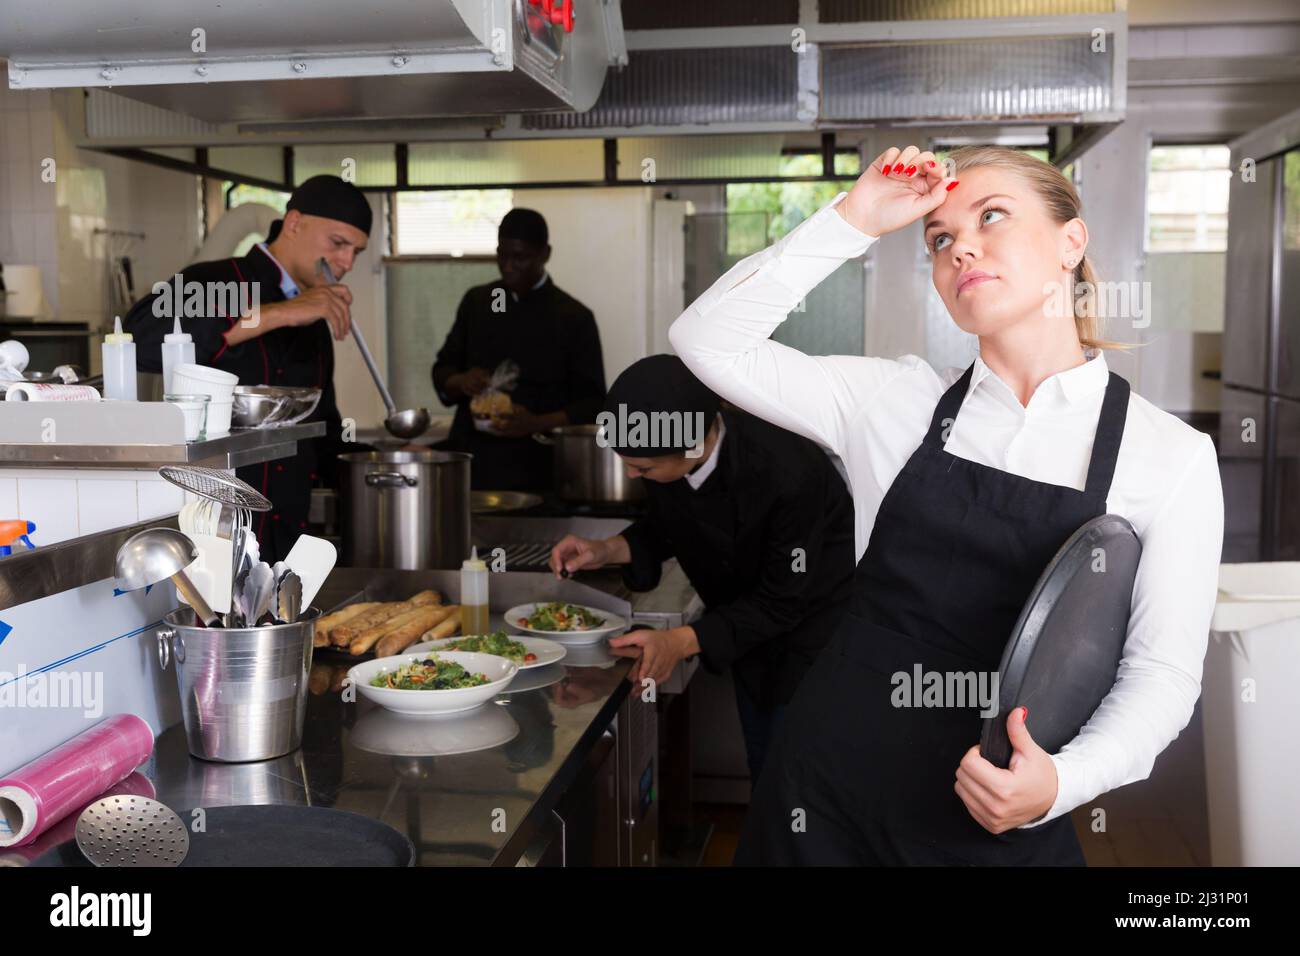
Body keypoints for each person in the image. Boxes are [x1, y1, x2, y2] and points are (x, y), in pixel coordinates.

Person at [669, 145, 1224, 865]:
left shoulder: (1169, 456)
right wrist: (855, 218)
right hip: (825, 794)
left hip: (997, 815)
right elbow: (705, 341)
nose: (962, 245)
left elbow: (1162, 675)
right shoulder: (893, 403)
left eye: (992, 216)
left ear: (1071, 240)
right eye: (939, 240)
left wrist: (1060, 783)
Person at [547, 355, 856, 782]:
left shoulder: (787, 470)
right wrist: (606, 550)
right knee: (767, 775)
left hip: (816, 647)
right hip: (753, 638)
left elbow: (783, 601)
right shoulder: (677, 454)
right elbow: (671, 523)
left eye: (643, 468)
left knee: (801, 787)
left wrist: (679, 642)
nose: (634, 475)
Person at [124, 175, 371, 563]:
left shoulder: (315, 319)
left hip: (287, 541)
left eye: (356, 251)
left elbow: (322, 432)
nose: (346, 263)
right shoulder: (218, 279)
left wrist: (385, 460)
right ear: (294, 224)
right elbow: (140, 337)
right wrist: (279, 314)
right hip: (207, 535)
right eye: (338, 244)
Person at [431, 208, 605, 491]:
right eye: (502, 255)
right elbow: (442, 371)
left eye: (520, 257)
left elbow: (593, 403)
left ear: (545, 254)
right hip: (472, 465)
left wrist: (535, 422)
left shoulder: (573, 317)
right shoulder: (477, 302)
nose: (508, 266)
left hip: (537, 466)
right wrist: (461, 382)